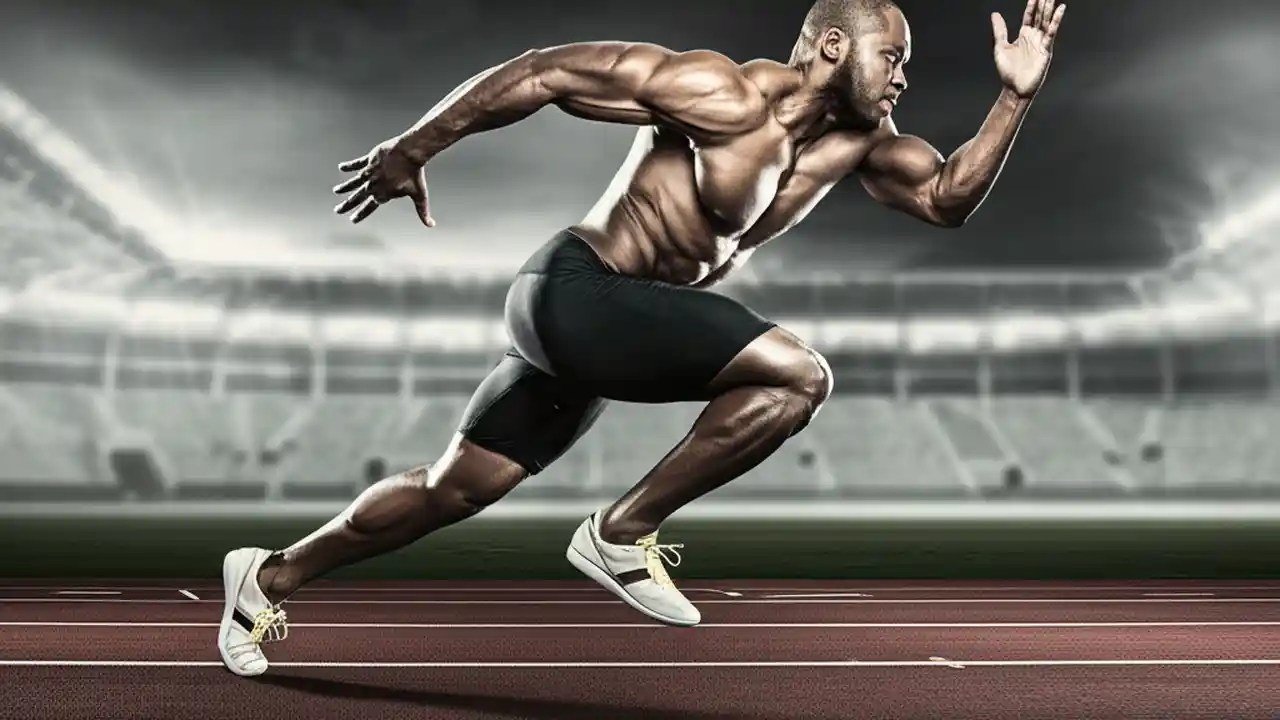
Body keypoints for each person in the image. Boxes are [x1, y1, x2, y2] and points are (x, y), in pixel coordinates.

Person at [217, 0, 1066, 676]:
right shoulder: (720, 92)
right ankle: (620, 534)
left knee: (453, 489)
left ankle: (268, 575)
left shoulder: (857, 147)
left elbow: (948, 197)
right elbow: (546, 72)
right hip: (575, 290)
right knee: (797, 378)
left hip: (605, 328)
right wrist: (413, 146)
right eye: (895, 58)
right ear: (835, 47)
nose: (903, 79)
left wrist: (1015, 96)